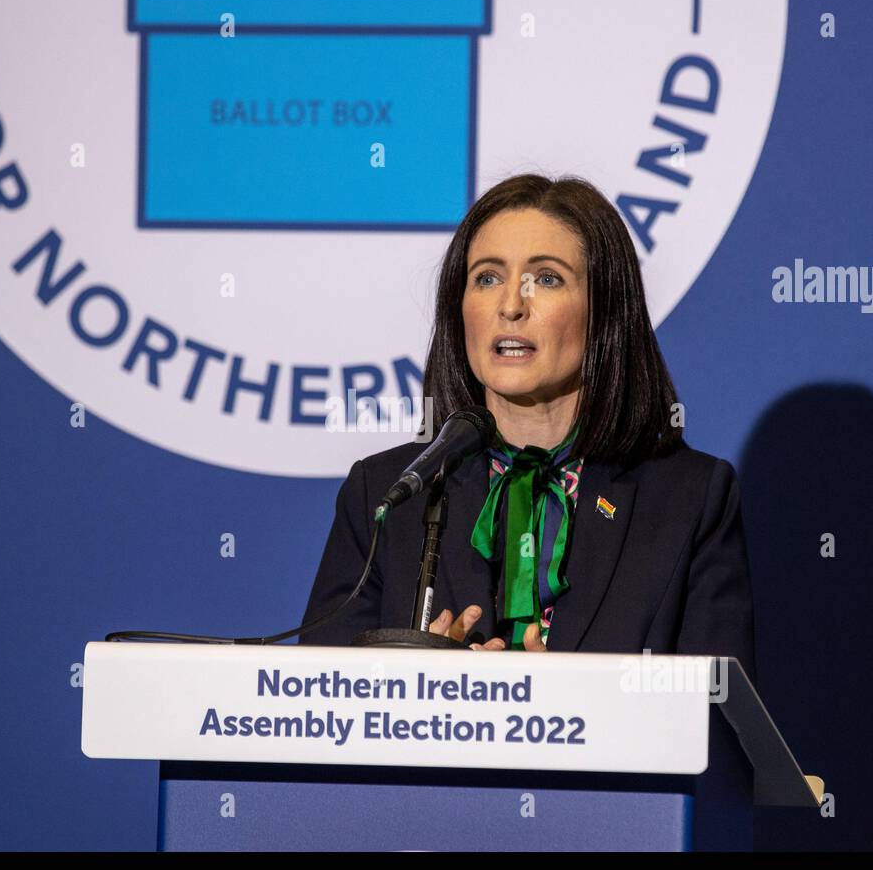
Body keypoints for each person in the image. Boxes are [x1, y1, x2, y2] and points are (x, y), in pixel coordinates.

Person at [298, 174, 756, 681]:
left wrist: (571, 707)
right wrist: (424, 696)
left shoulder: (690, 499)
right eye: (488, 278)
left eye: (547, 278)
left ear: (605, 311)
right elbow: (322, 717)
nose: (511, 305)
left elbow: (718, 732)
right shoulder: (387, 496)